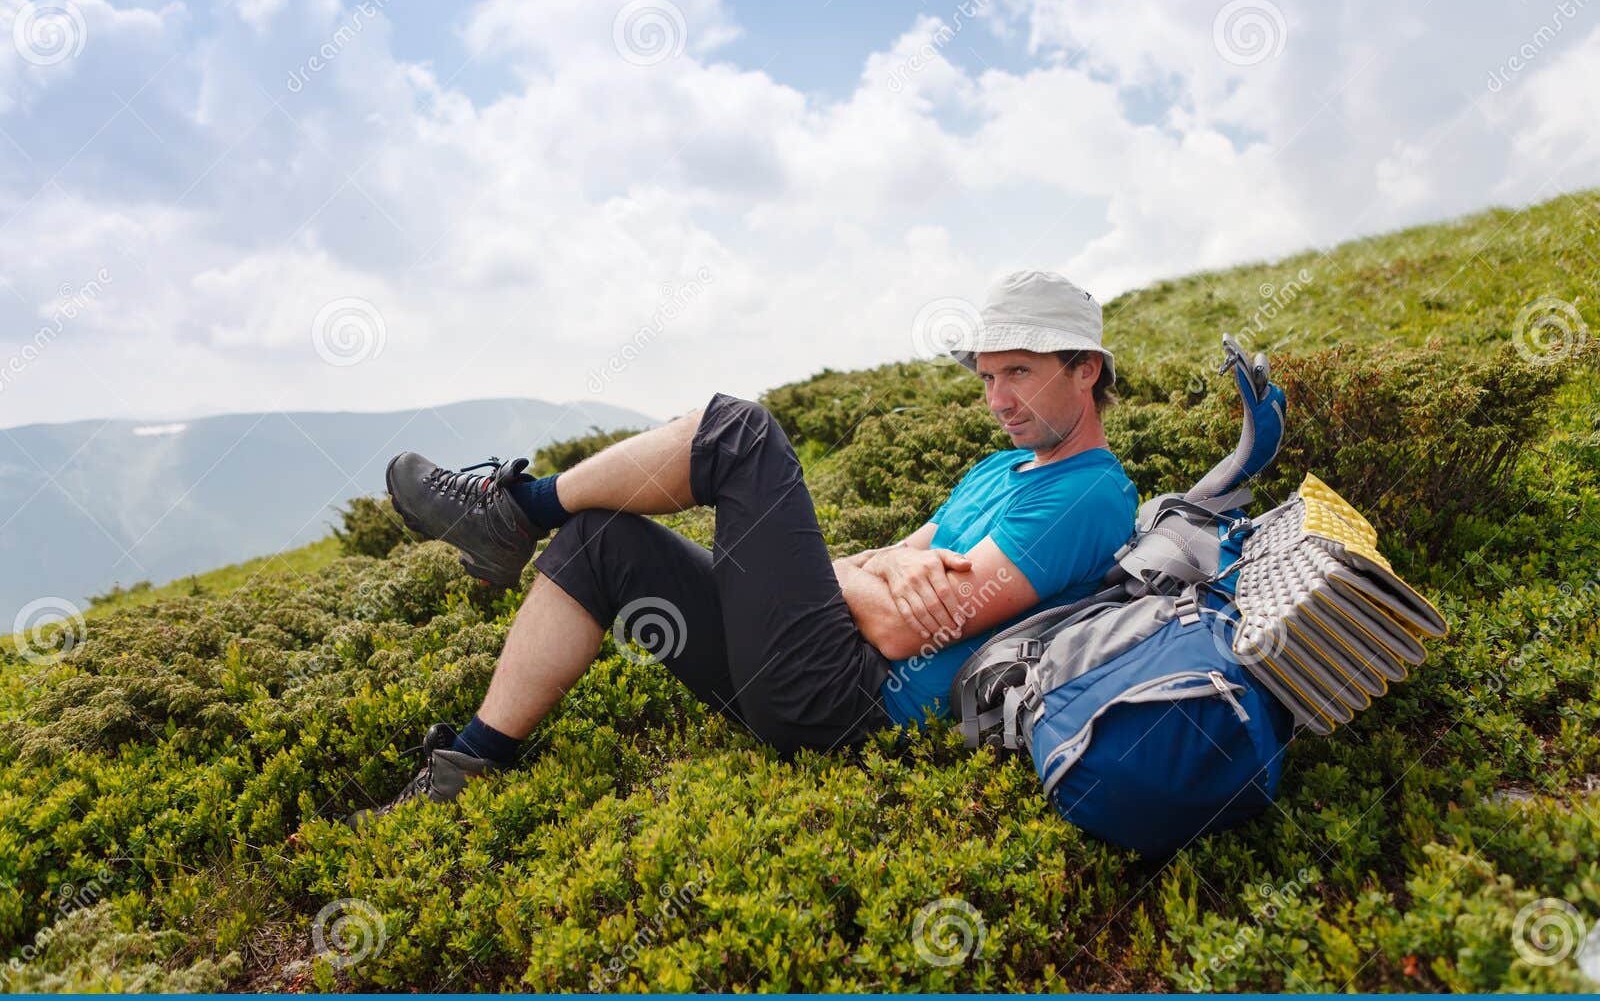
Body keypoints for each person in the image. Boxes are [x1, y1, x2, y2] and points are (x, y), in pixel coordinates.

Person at [353, 270, 1139, 821]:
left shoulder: (1089, 493)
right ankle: (468, 763)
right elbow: (877, 570)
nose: (998, 399)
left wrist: (876, 576)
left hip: (853, 705)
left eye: (1021, 373)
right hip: (814, 670)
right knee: (600, 541)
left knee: (742, 433)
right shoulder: (997, 468)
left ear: (1085, 371)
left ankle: (516, 509)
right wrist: (886, 566)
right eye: (988, 375)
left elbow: (906, 629)